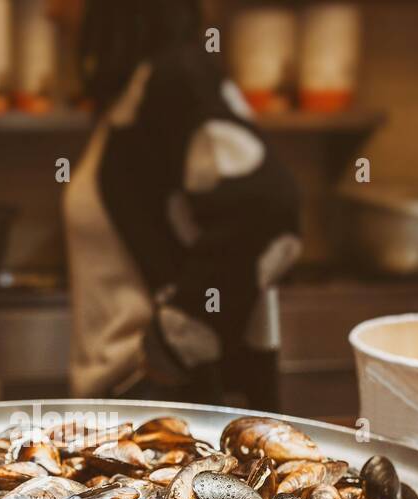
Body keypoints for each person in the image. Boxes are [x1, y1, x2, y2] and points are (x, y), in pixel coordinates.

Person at [56, 0, 303, 409]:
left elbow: (268, 207)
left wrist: (172, 346)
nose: (49, 11)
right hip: (133, 406)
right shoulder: (136, 91)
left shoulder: (176, 77)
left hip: (168, 411)